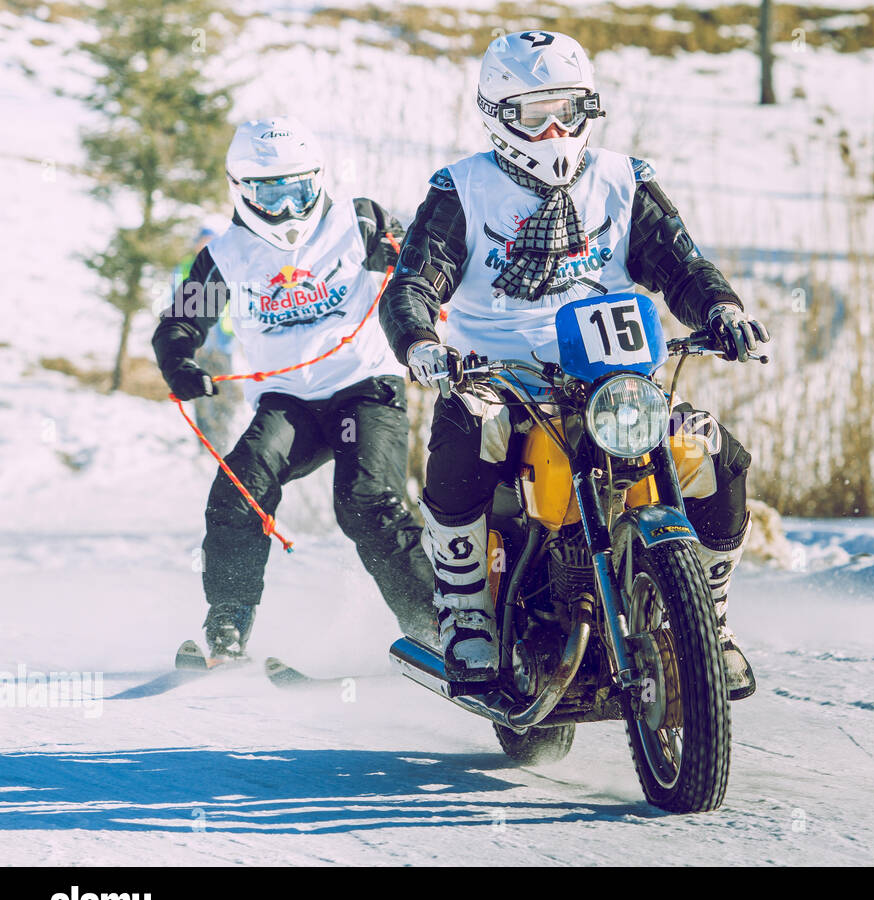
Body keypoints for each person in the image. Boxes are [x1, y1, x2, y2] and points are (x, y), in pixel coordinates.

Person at [378, 32, 769, 699]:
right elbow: (414, 281)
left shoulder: (625, 181)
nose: (555, 128)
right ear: (499, 115)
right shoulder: (462, 191)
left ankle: (712, 619)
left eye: (567, 108)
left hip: (614, 378)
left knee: (718, 457)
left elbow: (681, 266)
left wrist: (721, 312)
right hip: (498, 375)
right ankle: (466, 609)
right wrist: (421, 343)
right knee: (467, 431)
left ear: (590, 105)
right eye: (535, 114)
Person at [153, 116, 438, 659]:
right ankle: (229, 623)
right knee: (241, 485)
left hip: (364, 389)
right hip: (289, 405)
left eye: (298, 190)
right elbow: (180, 322)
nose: (287, 208)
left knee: (366, 500)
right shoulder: (227, 255)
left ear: (319, 178)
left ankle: (436, 629)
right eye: (270, 194)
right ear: (241, 189)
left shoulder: (362, 222)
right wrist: (178, 363)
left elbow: (429, 267)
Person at [174, 225, 242, 452]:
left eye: (210, 241)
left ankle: (223, 437)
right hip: (200, 343)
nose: (206, 246)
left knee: (225, 390)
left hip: (223, 342)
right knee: (202, 390)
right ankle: (205, 443)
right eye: (203, 241)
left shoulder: (227, 266)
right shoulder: (185, 268)